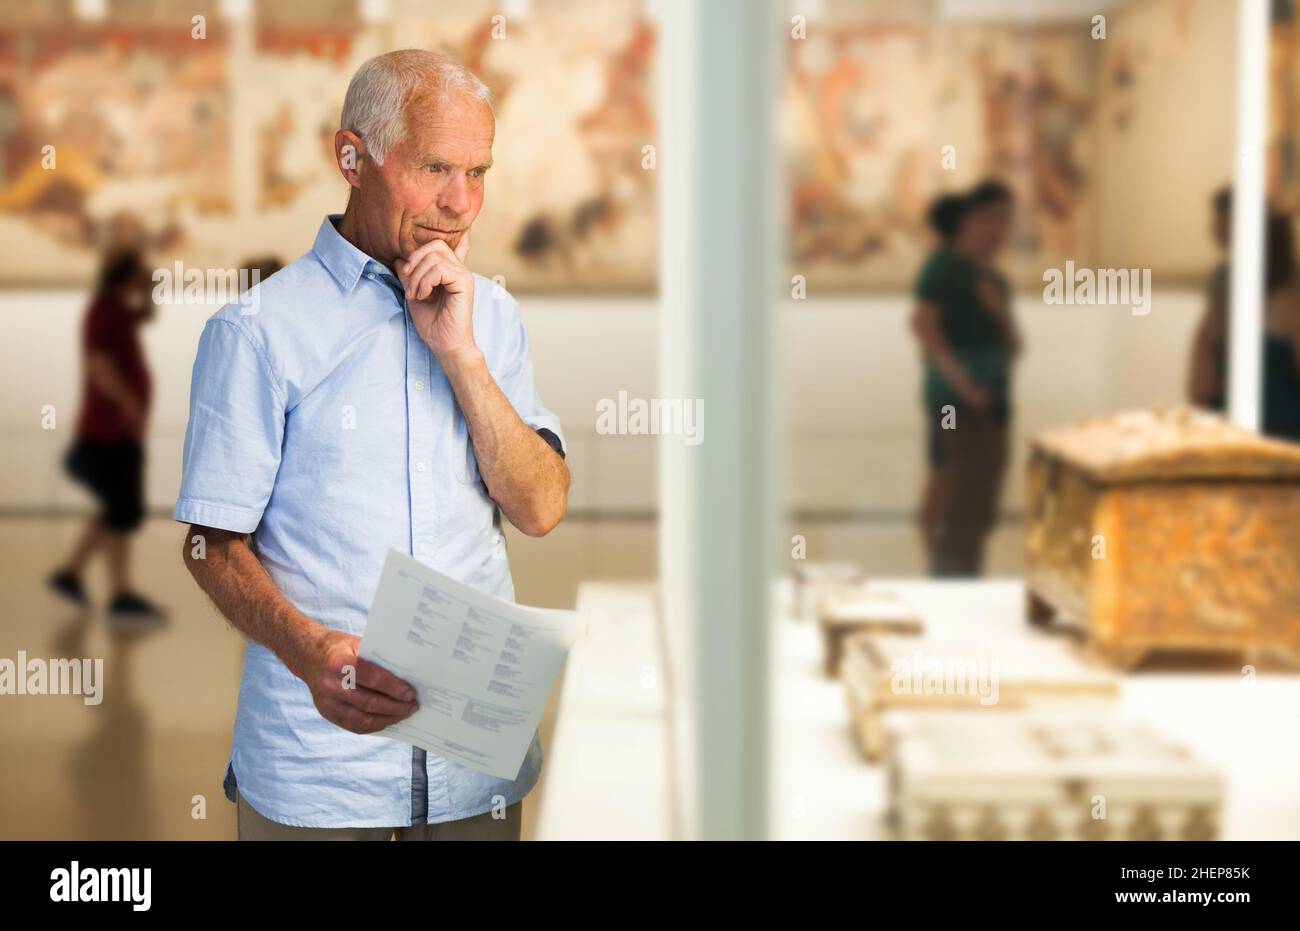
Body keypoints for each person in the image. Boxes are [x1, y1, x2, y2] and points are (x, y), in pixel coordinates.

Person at [176, 50, 569, 840]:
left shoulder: (493, 319)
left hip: (477, 772)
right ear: (351, 158)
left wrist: (461, 356)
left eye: (478, 172)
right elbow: (208, 545)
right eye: (434, 168)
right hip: (318, 774)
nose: (461, 204)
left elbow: (540, 506)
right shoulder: (257, 334)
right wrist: (311, 650)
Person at [49, 248, 166, 622]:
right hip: (108, 432)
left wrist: (148, 290)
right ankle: (119, 594)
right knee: (120, 512)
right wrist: (128, 401)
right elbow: (98, 365)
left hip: (117, 433)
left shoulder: (117, 309)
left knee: (118, 511)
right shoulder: (104, 310)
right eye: (140, 276)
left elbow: (148, 314)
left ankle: (72, 575)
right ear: (125, 276)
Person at [911, 181, 1020, 577]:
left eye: (1005, 222)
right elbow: (923, 325)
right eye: (989, 219)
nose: (997, 231)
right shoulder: (948, 267)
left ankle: (950, 581)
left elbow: (1014, 346)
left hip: (986, 401)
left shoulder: (990, 278)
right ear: (967, 221)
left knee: (964, 493)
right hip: (960, 404)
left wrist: (999, 311)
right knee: (963, 495)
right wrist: (965, 386)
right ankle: (952, 587)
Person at [1189, 188, 1300, 441]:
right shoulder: (1223, 282)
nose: (1211, 229)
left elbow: (1202, 384)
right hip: (1239, 430)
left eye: (1217, 220)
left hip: (1279, 435)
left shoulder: (1289, 291)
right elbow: (1202, 382)